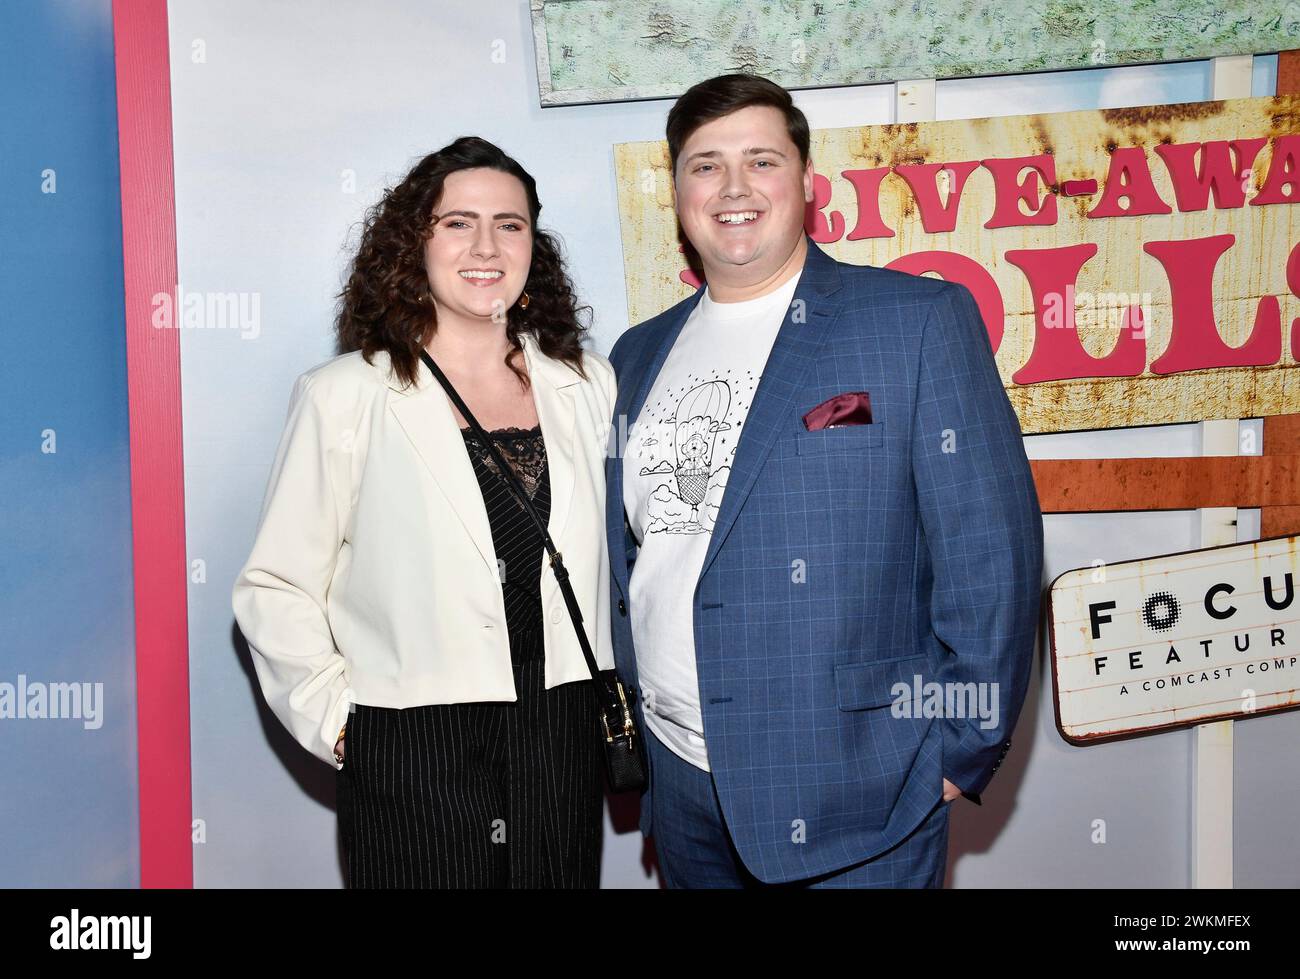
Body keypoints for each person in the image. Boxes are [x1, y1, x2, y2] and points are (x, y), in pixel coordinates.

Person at [606, 74, 1043, 888]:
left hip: (859, 795)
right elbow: (639, 557)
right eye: (705, 166)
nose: (733, 188)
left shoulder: (913, 321)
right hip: (684, 787)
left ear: (807, 181)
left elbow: (992, 556)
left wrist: (957, 751)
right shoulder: (637, 353)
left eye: (761, 160)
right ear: (676, 192)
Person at [232, 136, 616, 888]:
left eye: (510, 224)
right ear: (416, 243)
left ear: (534, 245)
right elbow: (274, 586)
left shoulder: (589, 386)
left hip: (561, 736)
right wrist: (348, 727)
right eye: (457, 222)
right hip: (415, 739)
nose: (486, 245)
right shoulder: (343, 394)